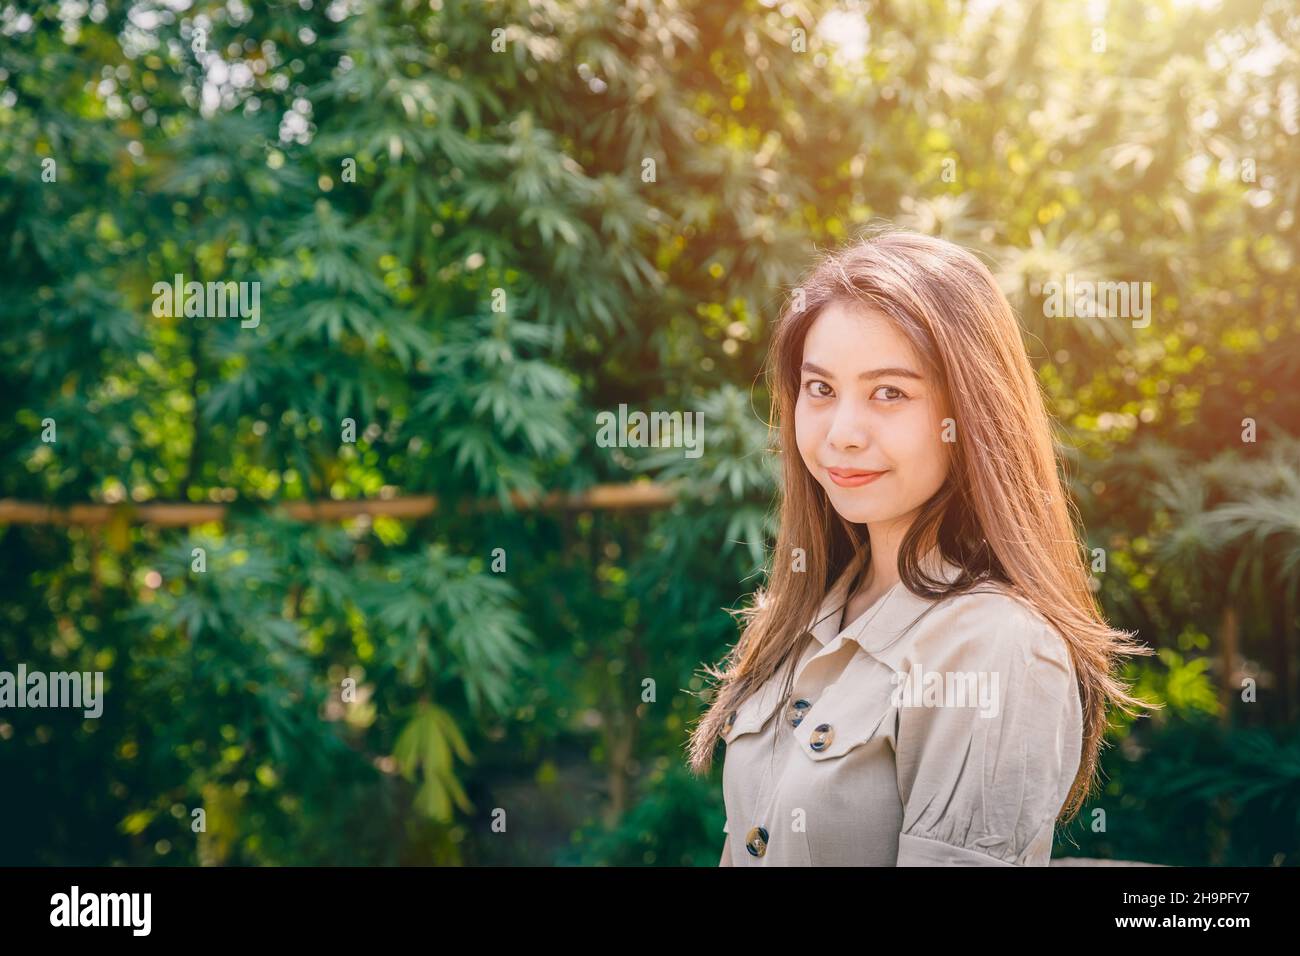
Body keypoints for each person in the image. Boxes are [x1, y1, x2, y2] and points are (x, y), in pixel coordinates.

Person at [686, 226, 1153, 866]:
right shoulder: (805, 614)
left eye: (890, 393)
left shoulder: (994, 646)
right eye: (820, 389)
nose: (842, 433)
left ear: (968, 413)